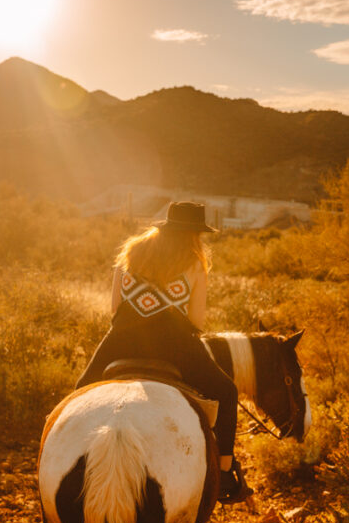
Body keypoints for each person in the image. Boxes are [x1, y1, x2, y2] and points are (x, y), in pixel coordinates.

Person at [76, 201, 250, 504]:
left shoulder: (130, 253)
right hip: (176, 345)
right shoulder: (195, 262)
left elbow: (115, 310)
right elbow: (196, 322)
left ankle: (72, 461)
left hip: (122, 340)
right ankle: (224, 474)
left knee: (79, 393)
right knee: (227, 392)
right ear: (195, 233)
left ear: (165, 226)